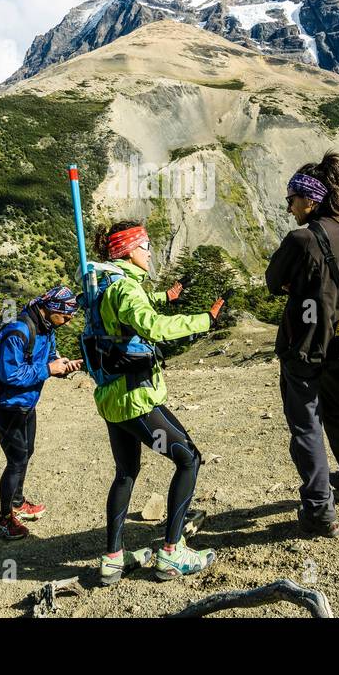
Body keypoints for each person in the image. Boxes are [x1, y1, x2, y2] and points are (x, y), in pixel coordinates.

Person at [89, 220, 227, 583]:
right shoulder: (126, 290)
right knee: (189, 459)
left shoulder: (109, 284)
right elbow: (152, 326)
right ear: (129, 251)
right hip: (137, 397)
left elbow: (132, 310)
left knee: (125, 473)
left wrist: (166, 297)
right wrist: (204, 320)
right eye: (146, 245)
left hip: (112, 397)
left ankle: (113, 559)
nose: (150, 252)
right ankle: (171, 553)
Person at [265, 151, 339, 538]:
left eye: (292, 199)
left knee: (305, 424)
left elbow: (273, 281)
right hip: (338, 340)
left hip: (302, 342)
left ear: (310, 199)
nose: (289, 206)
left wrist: (298, 285)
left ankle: (317, 509)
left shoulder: (301, 238)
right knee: (335, 407)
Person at [0, 284, 84, 540]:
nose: (68, 320)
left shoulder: (48, 327)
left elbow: (48, 358)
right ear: (51, 309)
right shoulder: (18, 330)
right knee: (16, 460)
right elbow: (8, 374)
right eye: (65, 315)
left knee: (26, 452)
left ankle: (18, 503)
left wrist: (63, 365)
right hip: (7, 406)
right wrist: (48, 370)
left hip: (27, 403)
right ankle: (5, 518)